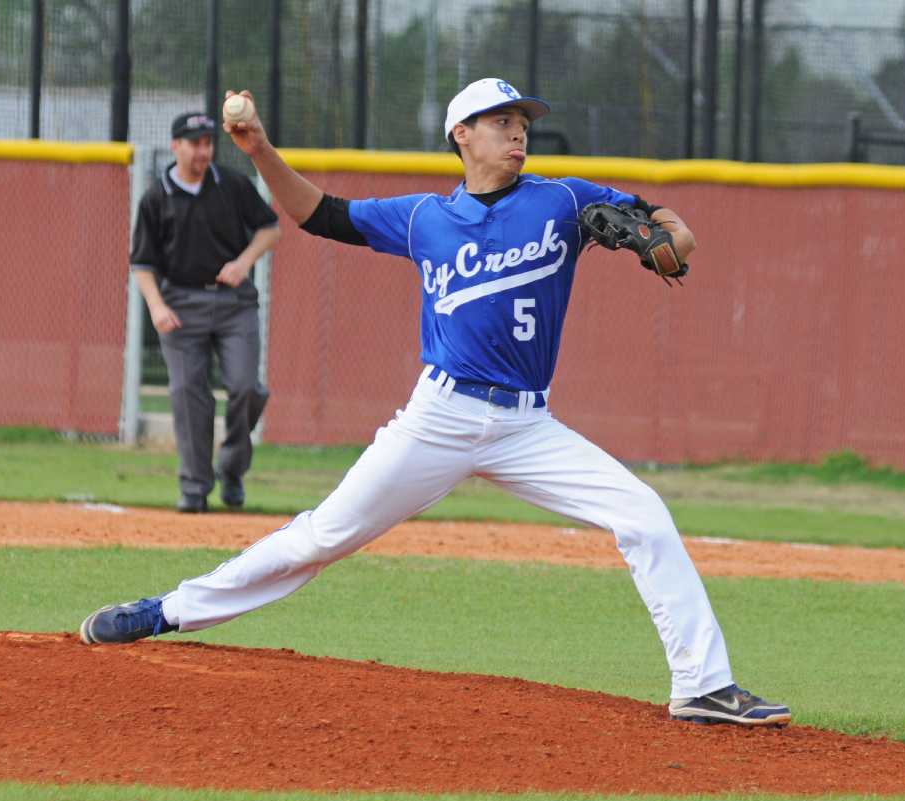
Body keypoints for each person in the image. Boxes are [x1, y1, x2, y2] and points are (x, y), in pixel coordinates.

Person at [81, 79, 790, 728]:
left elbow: (666, 224)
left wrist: (668, 244)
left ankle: (702, 686)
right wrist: (259, 149)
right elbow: (315, 214)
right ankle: (166, 610)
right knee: (323, 537)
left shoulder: (564, 200)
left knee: (644, 516)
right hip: (440, 417)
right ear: (462, 135)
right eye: (501, 122)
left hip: (526, 426)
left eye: (522, 123)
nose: (518, 133)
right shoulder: (424, 219)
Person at [131, 111, 281, 513]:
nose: (203, 150)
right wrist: (157, 306)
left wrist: (244, 262)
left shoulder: (230, 185)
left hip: (234, 304)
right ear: (176, 145)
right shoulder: (156, 197)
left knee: (246, 388)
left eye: (208, 142)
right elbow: (142, 264)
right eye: (195, 143)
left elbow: (270, 227)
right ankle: (195, 488)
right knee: (187, 394)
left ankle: (231, 469)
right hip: (180, 304)